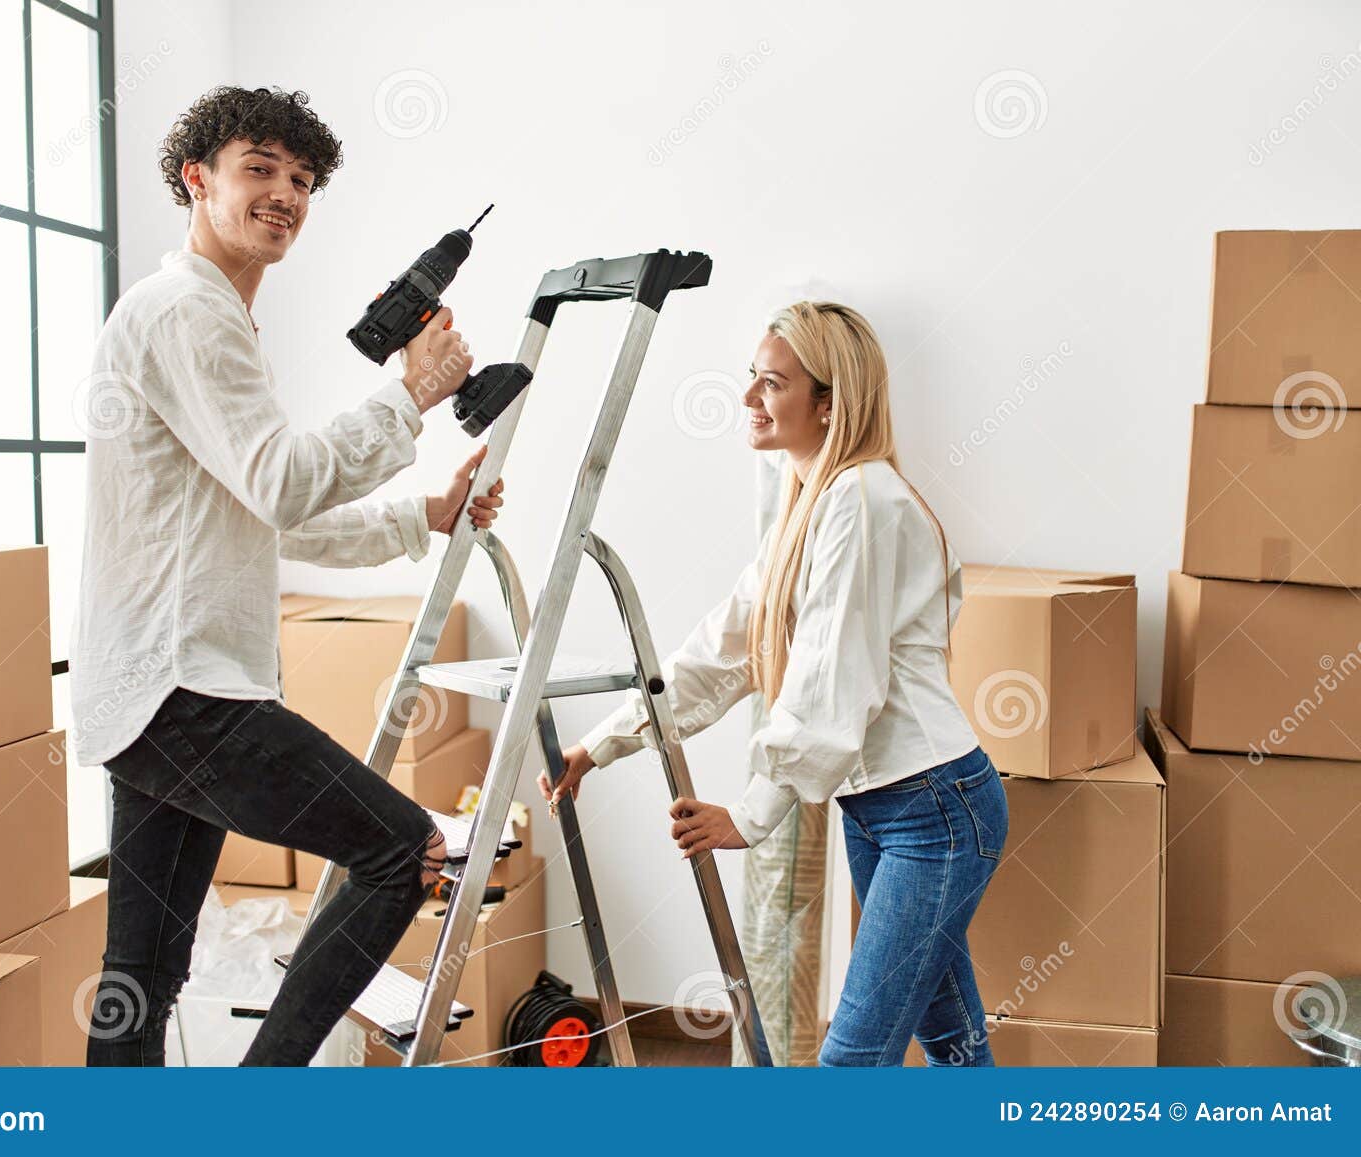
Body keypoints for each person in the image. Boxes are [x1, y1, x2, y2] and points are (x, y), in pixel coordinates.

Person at [71, 85, 505, 1066]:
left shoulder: (197, 315)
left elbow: (261, 517)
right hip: (186, 689)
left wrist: (420, 515)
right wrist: (410, 393)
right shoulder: (192, 312)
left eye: (301, 179)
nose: (284, 193)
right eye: (258, 168)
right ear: (197, 178)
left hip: (145, 691)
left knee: (141, 971)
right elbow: (280, 482)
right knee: (403, 850)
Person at [540, 302, 1008, 1067]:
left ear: (829, 402)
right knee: (952, 1044)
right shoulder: (811, 507)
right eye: (750, 379)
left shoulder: (864, 500)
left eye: (773, 383)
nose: (750, 398)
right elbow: (723, 652)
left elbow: (833, 678)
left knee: (851, 1059)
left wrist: (751, 813)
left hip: (935, 810)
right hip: (883, 807)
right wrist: (599, 744)